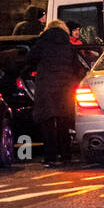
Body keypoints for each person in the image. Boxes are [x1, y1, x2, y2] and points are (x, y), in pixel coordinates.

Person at [28, 18, 88, 166]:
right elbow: (77, 65)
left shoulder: (42, 42)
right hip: (65, 87)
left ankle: (50, 157)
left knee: (47, 123)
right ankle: (66, 155)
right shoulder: (68, 44)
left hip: (46, 86)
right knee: (64, 122)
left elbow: (30, 59)